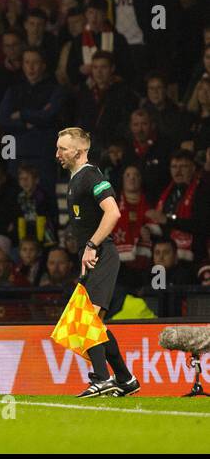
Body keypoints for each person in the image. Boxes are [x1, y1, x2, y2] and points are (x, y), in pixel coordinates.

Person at [54, 127, 139, 397]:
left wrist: (92, 245)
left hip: (102, 255)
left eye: (62, 149)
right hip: (92, 257)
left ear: (79, 151)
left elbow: (113, 212)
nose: (57, 154)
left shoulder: (91, 175)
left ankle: (101, 378)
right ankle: (125, 380)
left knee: (87, 318)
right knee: (94, 323)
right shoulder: (77, 178)